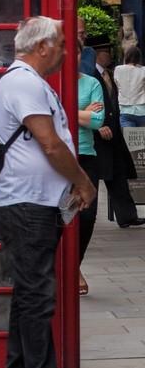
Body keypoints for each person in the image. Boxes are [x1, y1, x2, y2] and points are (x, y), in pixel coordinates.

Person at [0, 16, 94, 368]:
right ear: (43, 47)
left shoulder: (29, 82)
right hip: (27, 204)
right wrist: (83, 182)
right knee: (37, 296)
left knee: (28, 294)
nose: (67, 52)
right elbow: (50, 144)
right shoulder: (24, 82)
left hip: (32, 202)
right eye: (63, 45)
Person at [90, 42, 143, 227]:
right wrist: (99, 125)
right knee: (93, 177)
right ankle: (87, 215)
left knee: (118, 173)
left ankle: (127, 216)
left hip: (114, 133)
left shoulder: (110, 73)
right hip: (98, 134)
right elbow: (93, 104)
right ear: (98, 54)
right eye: (107, 53)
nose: (110, 56)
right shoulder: (91, 74)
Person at [76, 68, 108, 295]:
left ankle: (73, 266)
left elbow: (97, 121)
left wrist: (67, 113)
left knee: (87, 217)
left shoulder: (91, 83)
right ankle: (66, 270)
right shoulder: (48, 80)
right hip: (58, 157)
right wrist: (81, 113)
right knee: (60, 217)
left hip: (86, 155)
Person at [115, 46, 145, 128]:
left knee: (130, 141)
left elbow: (118, 85)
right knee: (142, 140)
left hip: (125, 111)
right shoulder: (143, 70)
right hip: (142, 111)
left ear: (126, 56)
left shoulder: (118, 69)